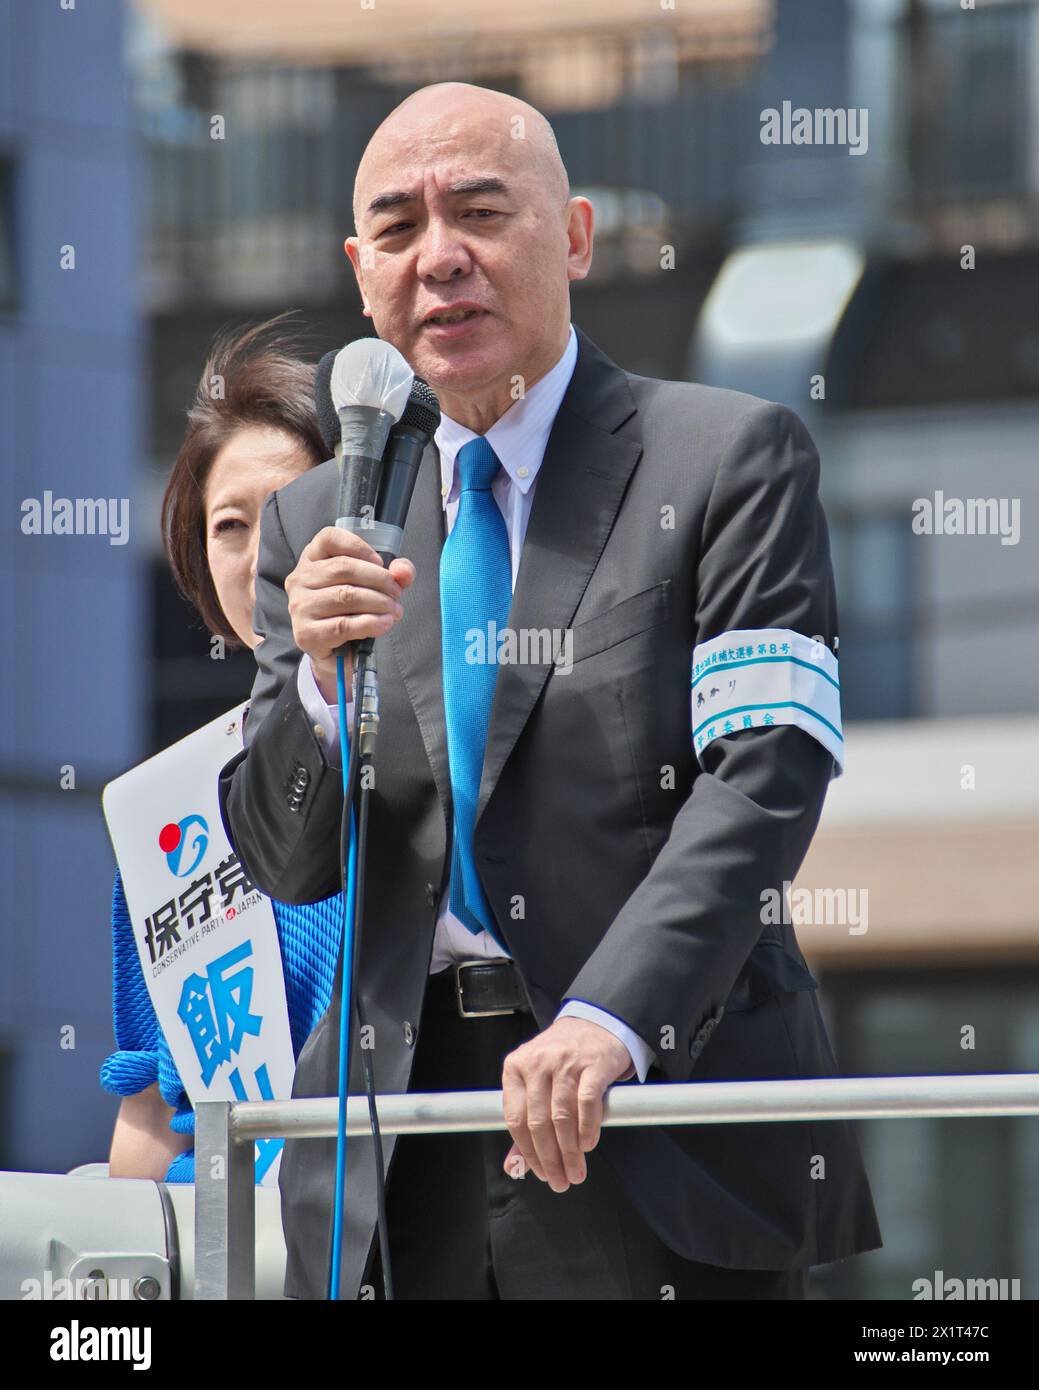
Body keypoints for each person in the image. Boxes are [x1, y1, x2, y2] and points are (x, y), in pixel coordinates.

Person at [219, 82, 883, 1299]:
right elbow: (287, 856)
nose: (442, 259)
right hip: (397, 1151)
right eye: (401, 230)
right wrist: (315, 685)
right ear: (361, 274)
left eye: (481, 211)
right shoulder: (319, 519)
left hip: (651, 1116)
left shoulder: (725, 456)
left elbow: (767, 768)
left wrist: (608, 1022)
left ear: (573, 236)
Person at [101, 316, 343, 1182]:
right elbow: (150, 1106)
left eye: (295, 512)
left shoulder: (433, 744)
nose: (264, 555)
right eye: (230, 526)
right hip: (230, 1246)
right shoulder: (157, 806)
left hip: (391, 1229)